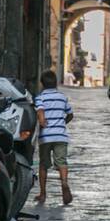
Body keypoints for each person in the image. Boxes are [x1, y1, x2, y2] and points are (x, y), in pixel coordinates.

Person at [34, 69, 74, 206]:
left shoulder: (40, 97)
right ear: (56, 83)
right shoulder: (62, 97)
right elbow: (70, 114)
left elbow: (40, 111)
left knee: (43, 165)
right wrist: (62, 123)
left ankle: (43, 194)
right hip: (61, 136)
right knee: (62, 162)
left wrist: (42, 120)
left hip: (45, 136)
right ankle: (64, 182)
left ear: (42, 84)